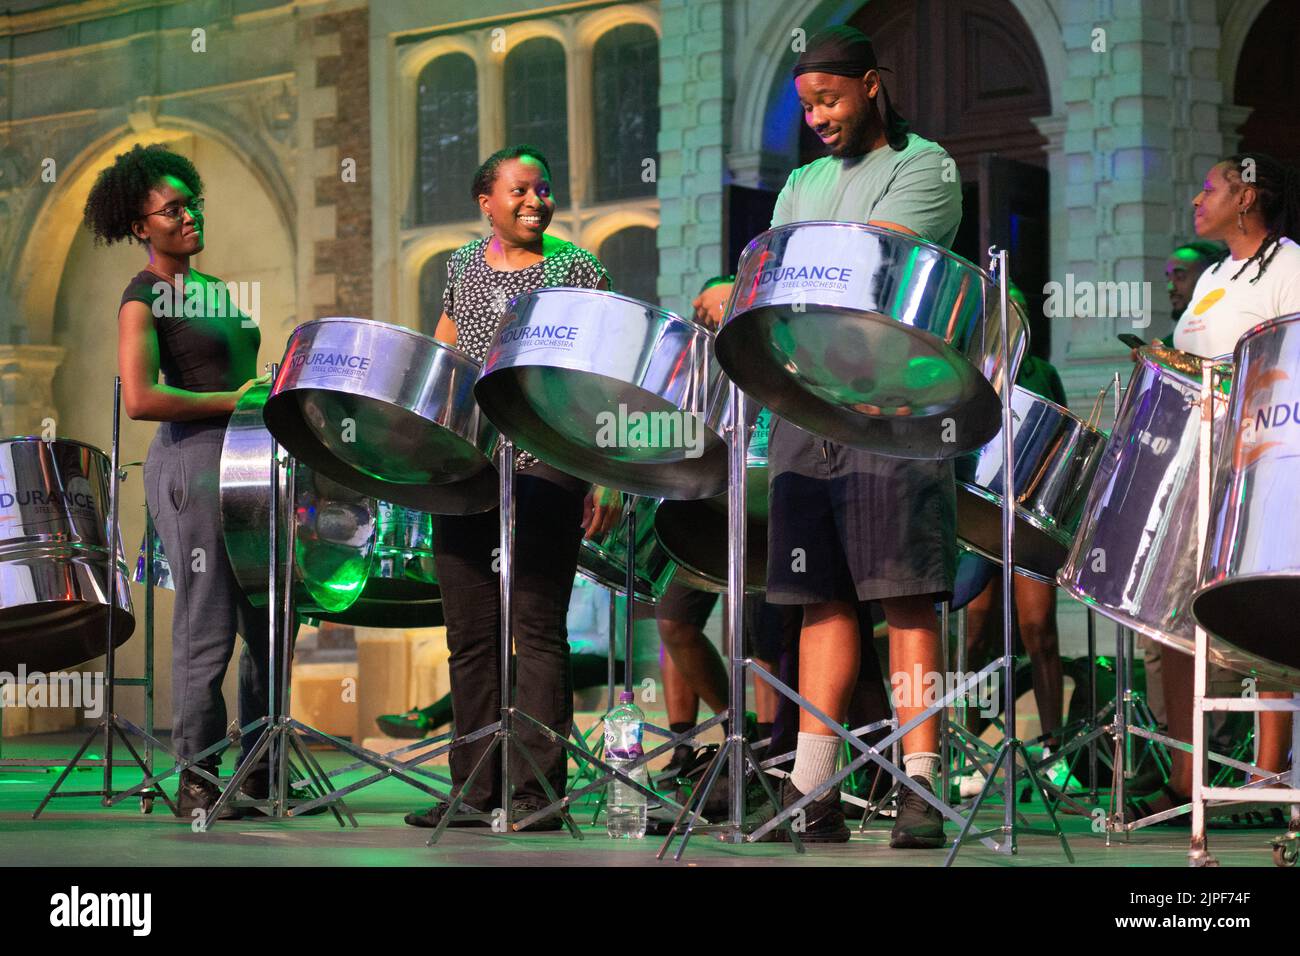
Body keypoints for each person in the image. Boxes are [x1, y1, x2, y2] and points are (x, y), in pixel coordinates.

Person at [696, 26, 962, 846]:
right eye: (807, 104)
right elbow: (776, 276)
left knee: (903, 595)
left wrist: (770, 276)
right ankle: (815, 790)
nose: (817, 117)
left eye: (831, 99)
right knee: (820, 600)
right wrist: (733, 288)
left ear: (873, 85)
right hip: (806, 406)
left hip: (889, 405)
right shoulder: (802, 181)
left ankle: (920, 784)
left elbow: (876, 265)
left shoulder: (926, 166)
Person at [403, 145, 622, 831]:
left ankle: (535, 794)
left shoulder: (577, 268)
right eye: (521, 191)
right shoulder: (462, 267)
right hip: (467, 466)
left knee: (536, 628)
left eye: (544, 190)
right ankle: (474, 789)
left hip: (548, 461)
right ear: (486, 202)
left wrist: (606, 472)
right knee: (471, 635)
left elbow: (602, 370)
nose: (536, 202)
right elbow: (444, 356)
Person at [90, 143, 271, 819]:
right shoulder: (141, 298)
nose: (188, 215)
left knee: (271, 618)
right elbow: (140, 398)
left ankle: (261, 770)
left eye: (191, 202)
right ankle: (197, 778)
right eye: (172, 209)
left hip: (247, 463)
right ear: (141, 227)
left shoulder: (215, 290)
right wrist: (235, 399)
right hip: (191, 467)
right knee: (209, 622)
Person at [1146, 151, 1300, 822]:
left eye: (1209, 188)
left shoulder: (1291, 267)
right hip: (1195, 463)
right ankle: (1187, 777)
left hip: (1261, 466)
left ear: (1247, 196)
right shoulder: (1212, 276)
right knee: (1170, 619)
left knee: (1259, 609)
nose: (1195, 200)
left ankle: (1271, 774)